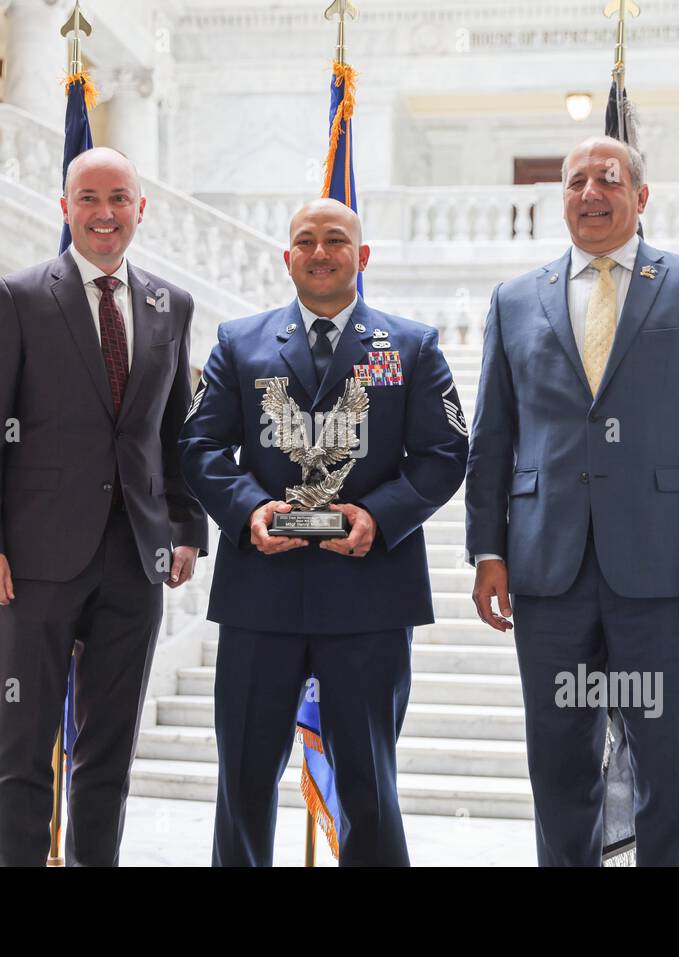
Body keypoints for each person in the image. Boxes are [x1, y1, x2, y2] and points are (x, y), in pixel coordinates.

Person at [465, 135, 679, 866]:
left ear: (641, 196)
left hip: (666, 572)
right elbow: (492, 437)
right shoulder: (514, 301)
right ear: (560, 195)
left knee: (669, 766)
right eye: (575, 182)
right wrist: (488, 549)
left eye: (608, 179)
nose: (590, 194)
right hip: (546, 571)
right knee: (560, 766)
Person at [180, 198, 468, 866]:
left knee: (369, 782)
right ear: (287, 258)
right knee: (245, 780)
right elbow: (199, 444)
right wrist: (248, 509)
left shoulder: (410, 346)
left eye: (335, 239)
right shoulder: (239, 342)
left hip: (368, 598)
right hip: (261, 596)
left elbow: (445, 453)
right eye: (305, 240)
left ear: (361, 256)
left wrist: (381, 514)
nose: (319, 251)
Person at [0, 147, 208, 866]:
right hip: (36, 560)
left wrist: (187, 526)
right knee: (24, 743)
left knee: (109, 750)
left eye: (119, 197)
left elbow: (174, 429)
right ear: (64, 206)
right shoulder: (19, 297)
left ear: (140, 208)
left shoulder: (171, 305)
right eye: (89, 197)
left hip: (136, 559)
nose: (105, 212)